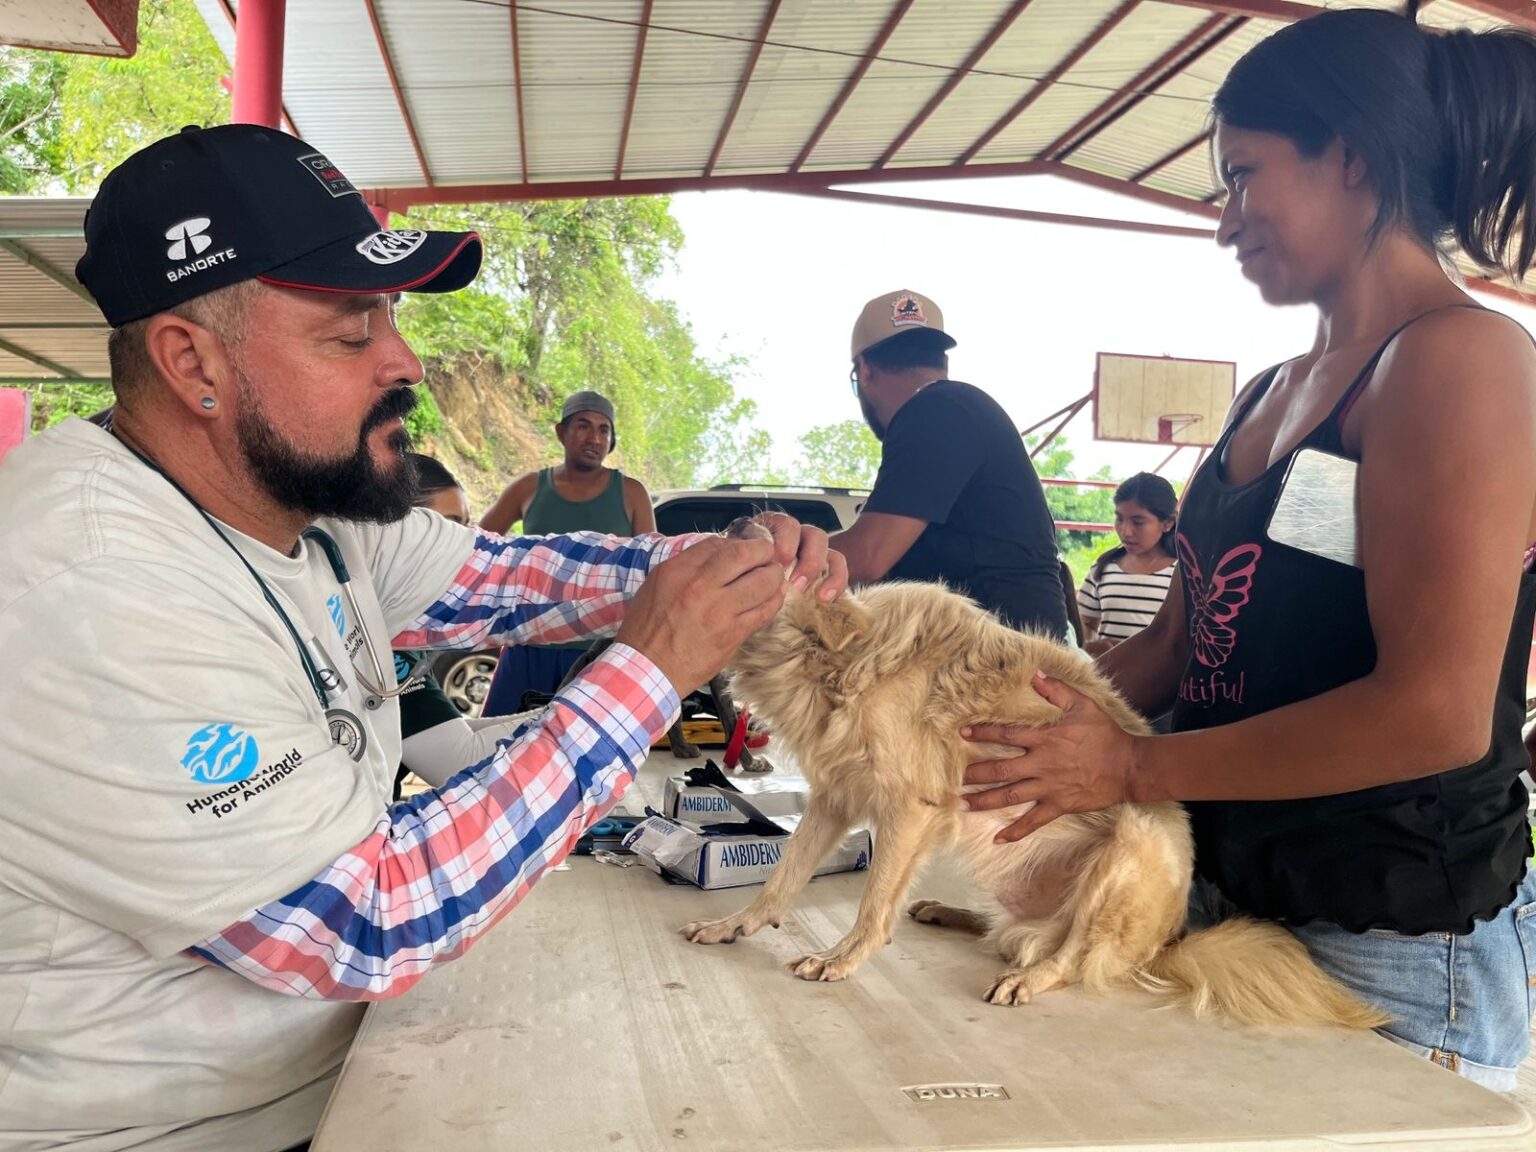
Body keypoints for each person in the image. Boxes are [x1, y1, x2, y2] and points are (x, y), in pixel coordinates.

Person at [0, 123, 843, 1152]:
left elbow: (508, 581)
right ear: (192, 362)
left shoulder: (306, 511)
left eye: (390, 316)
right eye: (351, 333)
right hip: (187, 1132)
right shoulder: (88, 582)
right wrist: (652, 669)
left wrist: (732, 561)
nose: (406, 361)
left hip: (347, 1078)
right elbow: (367, 916)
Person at [963, 6, 1536, 1092]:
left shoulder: (1459, 359)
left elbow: (1437, 712)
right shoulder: (1271, 390)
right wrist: (1007, 723)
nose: (1225, 218)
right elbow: (1180, 648)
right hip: (1228, 905)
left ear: (1352, 159)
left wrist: (1131, 763)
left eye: (1243, 174)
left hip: (1391, 938)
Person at [830, 289, 1069, 639]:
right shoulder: (957, 410)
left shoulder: (935, 409)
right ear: (943, 362)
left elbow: (867, 558)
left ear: (864, 370)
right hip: (1001, 659)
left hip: (998, 670)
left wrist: (765, 556)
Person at [477, 390, 657, 716]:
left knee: (586, 754)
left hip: (598, 654)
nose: (595, 437)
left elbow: (652, 573)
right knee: (496, 746)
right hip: (528, 646)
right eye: (584, 425)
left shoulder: (631, 493)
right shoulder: (529, 488)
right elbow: (475, 548)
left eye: (604, 429)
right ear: (562, 432)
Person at [1076, 472, 1178, 656]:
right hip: (1106, 681)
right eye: (1119, 519)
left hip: (1162, 683)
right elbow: (1084, 623)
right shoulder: (1104, 568)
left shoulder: (1183, 574)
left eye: (1138, 522)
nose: (1126, 531)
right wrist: (1090, 646)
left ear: (1168, 523)